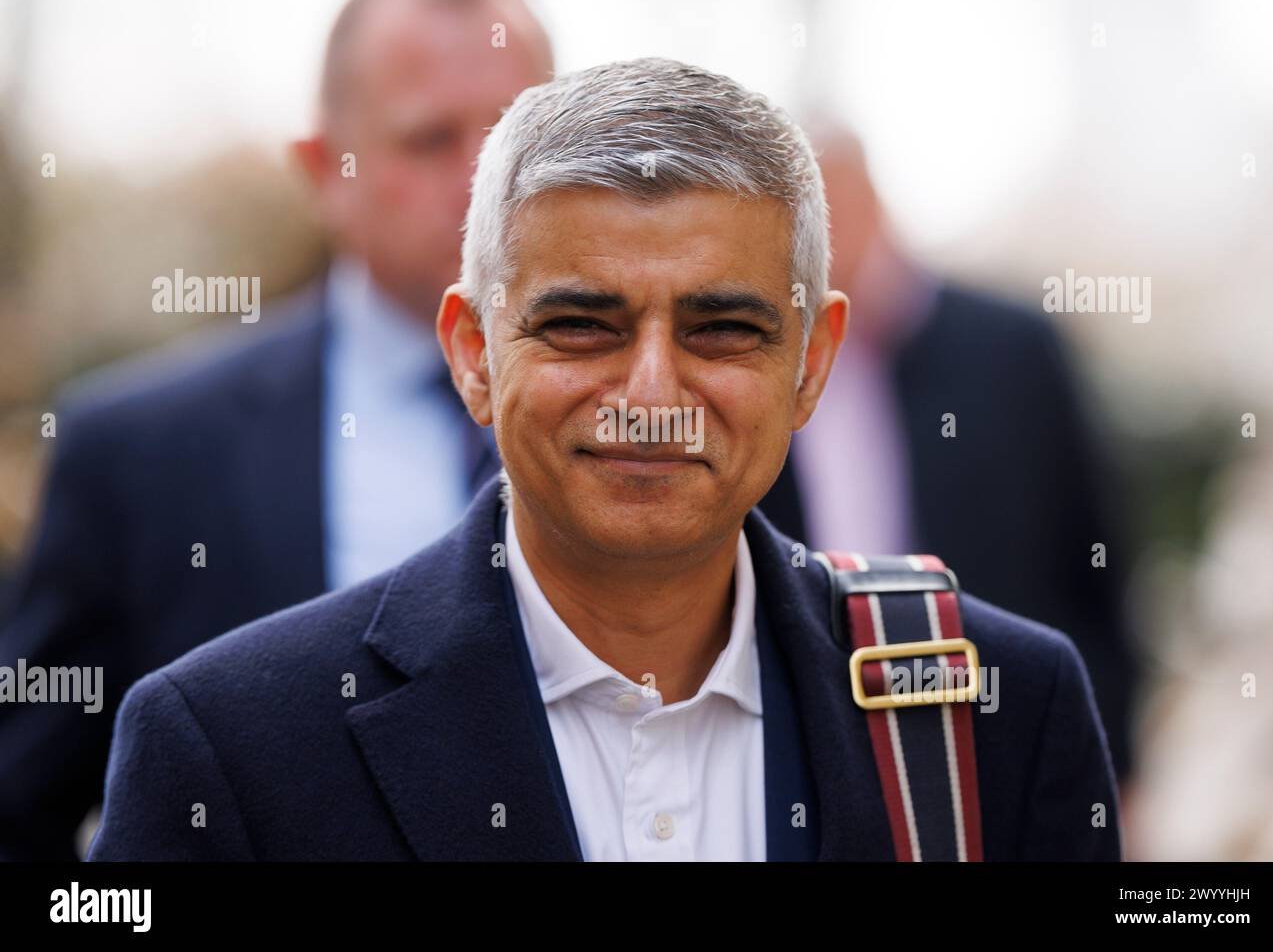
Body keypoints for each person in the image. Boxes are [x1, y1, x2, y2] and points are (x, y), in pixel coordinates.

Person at [89, 58, 1121, 862]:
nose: (651, 393)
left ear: (813, 363)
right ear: (472, 354)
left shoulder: (1000, 708)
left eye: (722, 328)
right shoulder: (229, 746)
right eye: (582, 324)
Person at [0, 0, 551, 861]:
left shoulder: (695, 422)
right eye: (432, 139)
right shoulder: (141, 458)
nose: (489, 182)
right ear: (325, 169)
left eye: (521, 139)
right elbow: (19, 814)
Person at [758, 123, 1137, 782]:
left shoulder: (1012, 351)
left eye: (833, 210)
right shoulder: (753, 364)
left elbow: (1096, 563)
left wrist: (1115, 764)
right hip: (812, 746)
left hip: (1000, 736)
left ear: (874, 202)